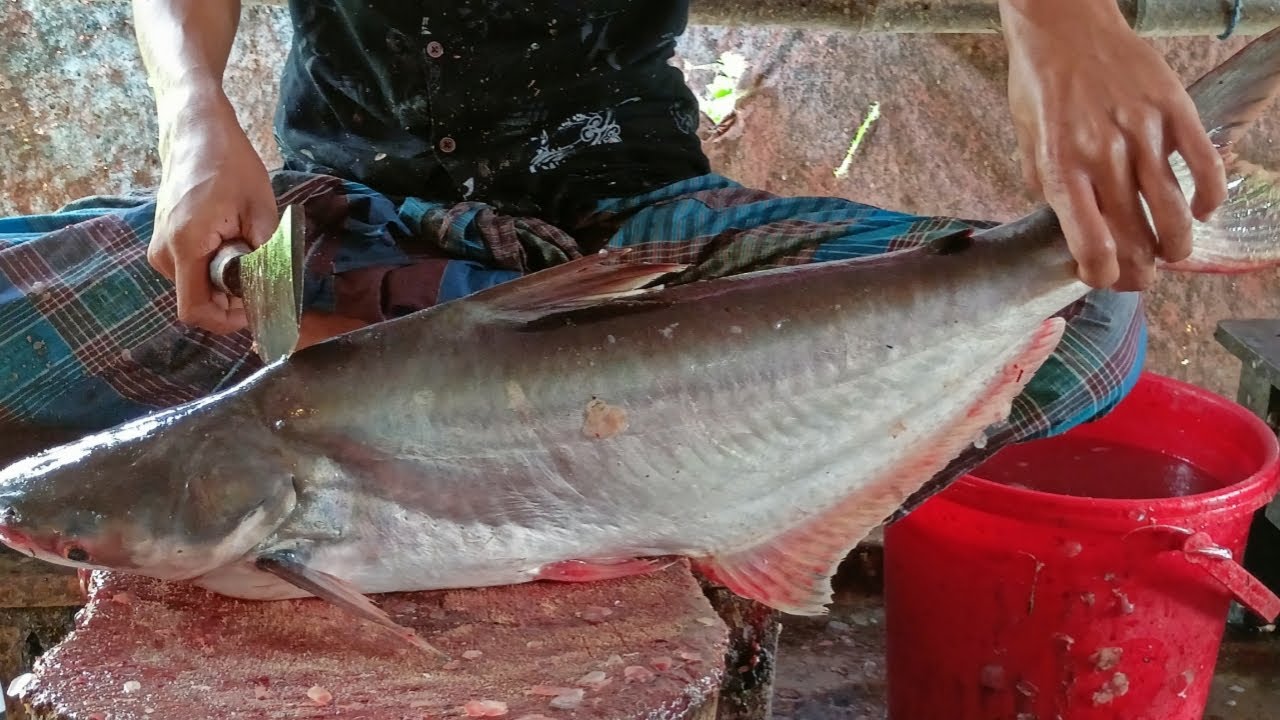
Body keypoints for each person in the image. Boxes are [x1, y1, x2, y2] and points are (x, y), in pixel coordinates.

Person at [0, 0, 1227, 510]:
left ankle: (434, 385)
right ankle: (476, 386)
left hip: (639, 238)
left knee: (1076, 326)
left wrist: (1062, 21)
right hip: (338, 229)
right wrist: (193, 122)